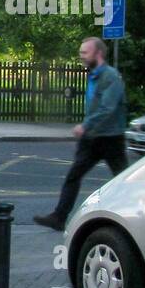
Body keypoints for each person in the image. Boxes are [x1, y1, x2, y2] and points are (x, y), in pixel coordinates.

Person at [34, 37, 128, 231]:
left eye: (85, 52)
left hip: (110, 138)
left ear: (98, 53)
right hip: (92, 138)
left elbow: (108, 108)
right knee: (73, 176)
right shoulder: (93, 75)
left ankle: (132, 215)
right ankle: (59, 217)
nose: (81, 56)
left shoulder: (111, 76)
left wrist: (85, 126)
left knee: (123, 180)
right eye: (81, 52)